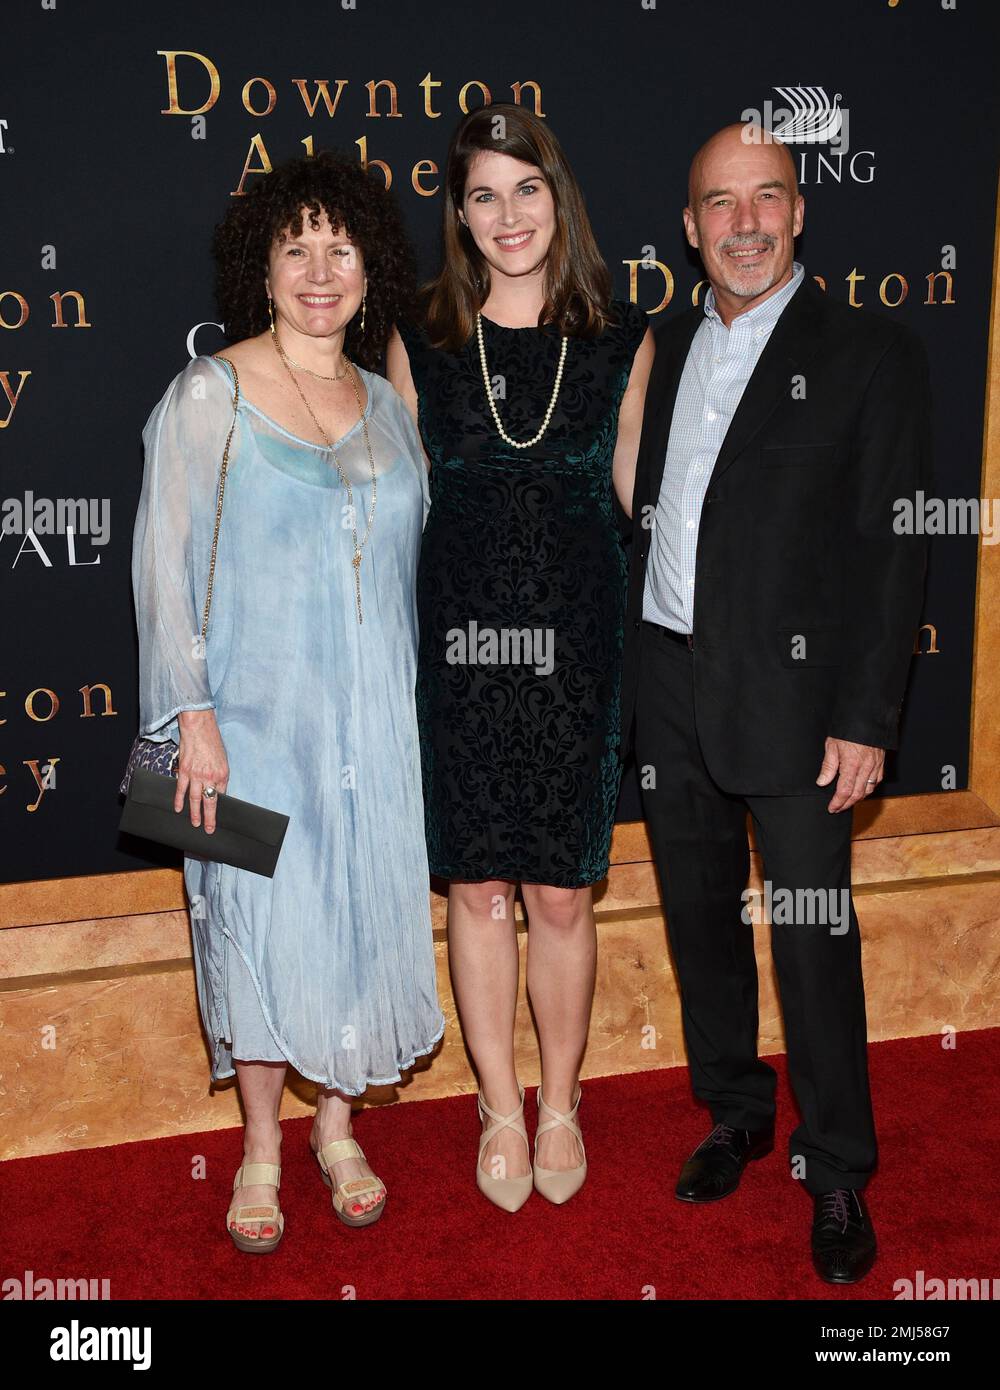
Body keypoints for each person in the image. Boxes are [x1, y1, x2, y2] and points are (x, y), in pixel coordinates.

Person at [620, 122, 931, 1284]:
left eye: (766, 198)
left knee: (810, 937)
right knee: (701, 921)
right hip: (669, 677)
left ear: (799, 212)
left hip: (802, 704)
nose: (743, 222)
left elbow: (890, 548)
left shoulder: (867, 352)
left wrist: (866, 715)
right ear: (691, 224)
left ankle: (838, 1166)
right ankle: (736, 1109)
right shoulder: (660, 345)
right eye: (719, 203)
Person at [131, 150, 445, 1252]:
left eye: (342, 248)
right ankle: (264, 1144)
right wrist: (193, 722)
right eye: (295, 249)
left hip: (372, 728)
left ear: (372, 267)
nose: (320, 271)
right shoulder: (208, 394)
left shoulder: (388, 400)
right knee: (256, 929)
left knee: (357, 918)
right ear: (260, 269)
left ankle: (340, 1127)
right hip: (250, 731)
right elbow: (163, 573)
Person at [388, 104, 653, 1211]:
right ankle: (497, 1104)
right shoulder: (421, 337)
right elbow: (391, 522)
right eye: (484, 194)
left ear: (560, 197)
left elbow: (641, 506)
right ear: (459, 212)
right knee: (480, 892)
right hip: (460, 662)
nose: (508, 215)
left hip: (577, 665)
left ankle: (558, 1102)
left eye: (526, 188)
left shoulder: (622, 340)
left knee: (557, 896)